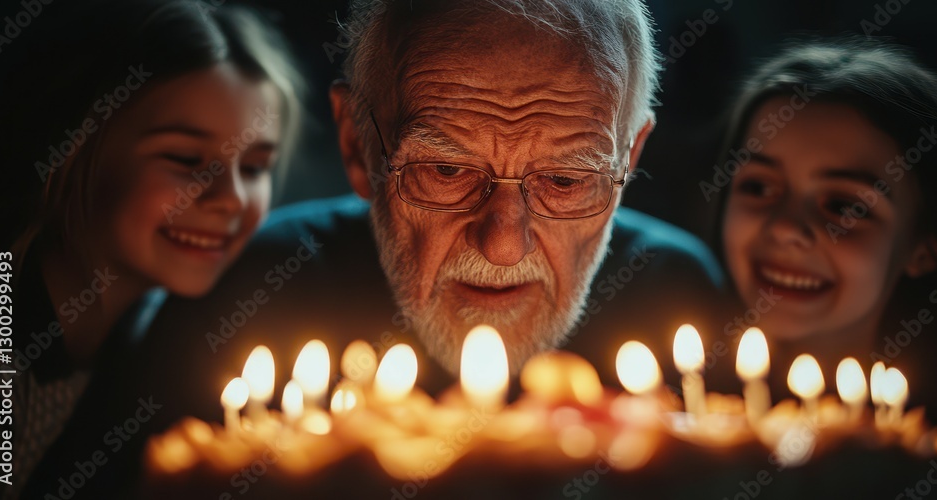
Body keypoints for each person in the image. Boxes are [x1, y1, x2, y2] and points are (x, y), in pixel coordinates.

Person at [140, 0, 724, 434]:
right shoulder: (256, 293)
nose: (502, 244)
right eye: (446, 171)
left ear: (631, 157)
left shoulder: (676, 302)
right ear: (357, 147)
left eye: (566, 180)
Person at [0, 0, 305, 497]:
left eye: (256, 166)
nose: (232, 199)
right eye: (185, 158)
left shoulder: (143, 343)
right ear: (71, 150)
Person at [712, 37, 937, 435]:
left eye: (844, 207)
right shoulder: (652, 406)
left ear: (925, 248)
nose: (786, 228)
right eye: (759, 187)